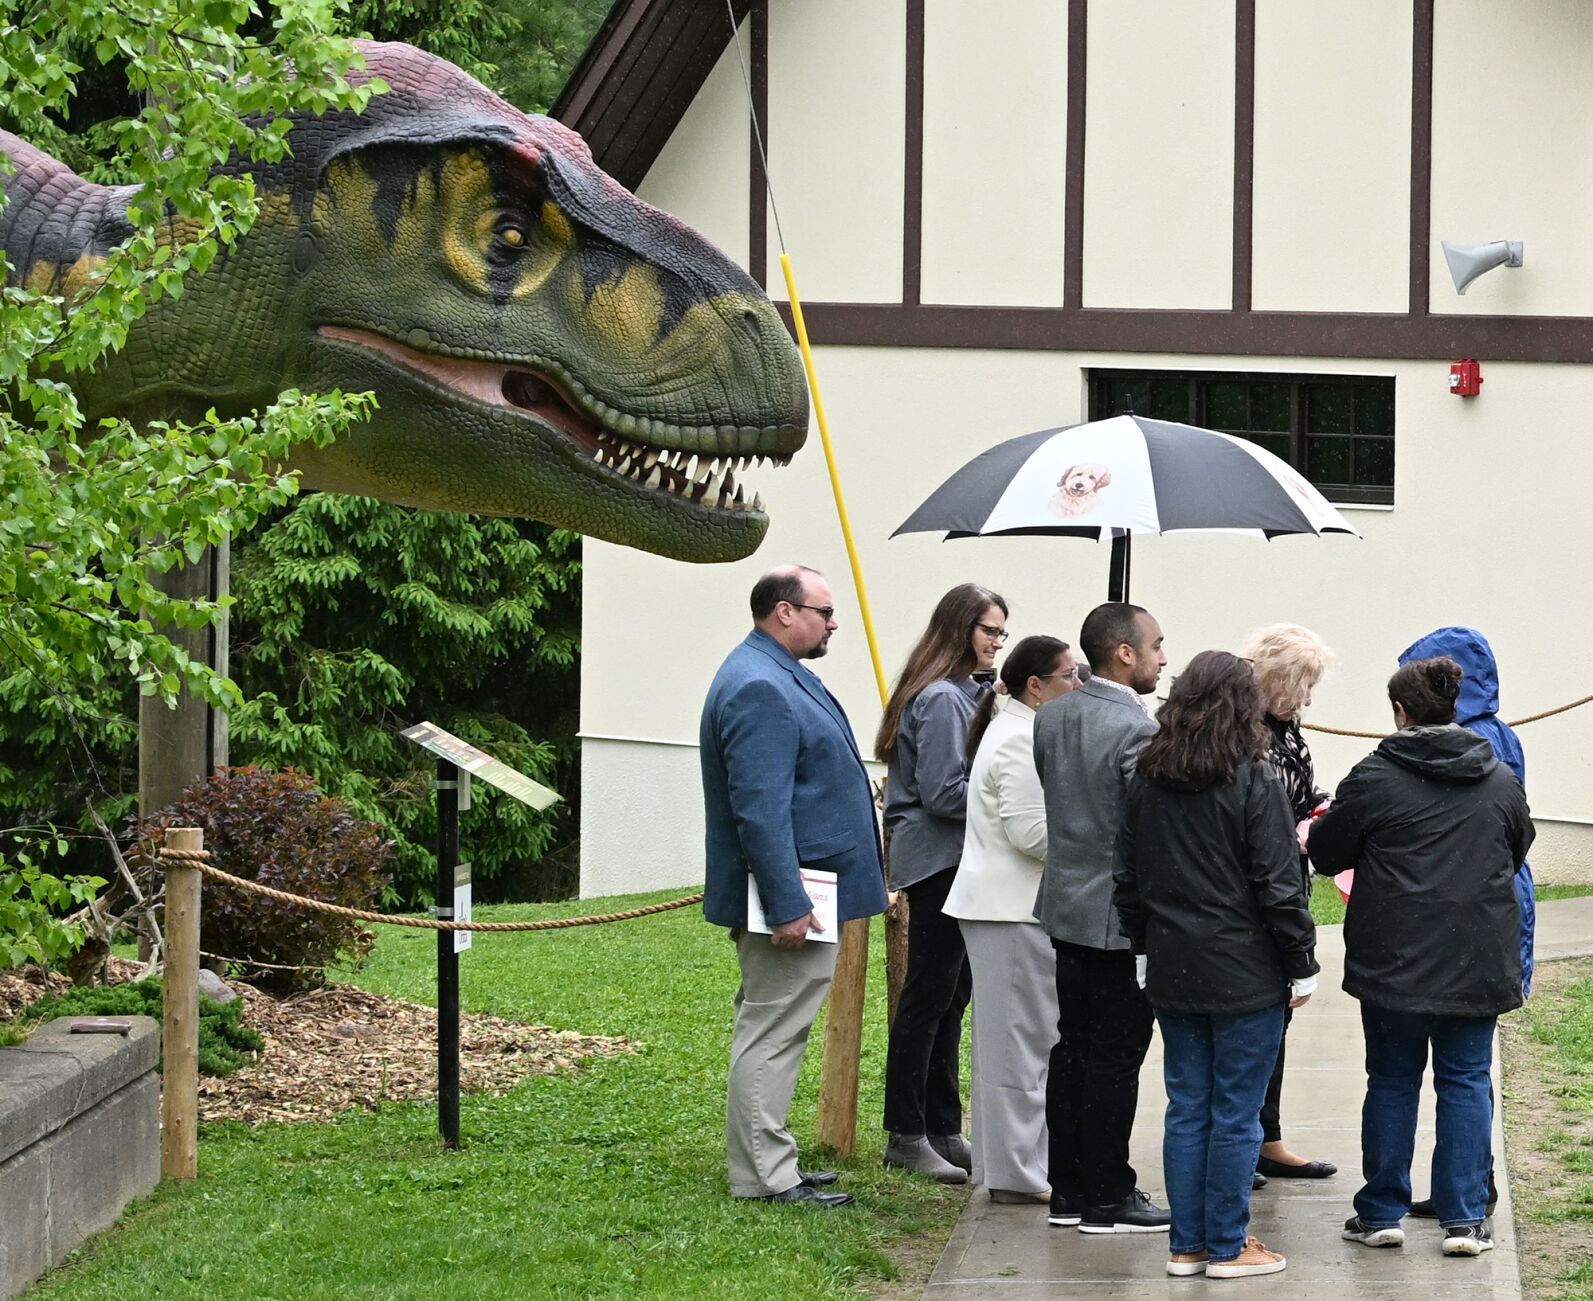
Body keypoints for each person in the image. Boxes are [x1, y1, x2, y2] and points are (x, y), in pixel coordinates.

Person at [1309, 656, 1534, 1258]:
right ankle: (1464, 1221)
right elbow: (1517, 850)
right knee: (1465, 1080)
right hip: (1477, 955)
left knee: (1391, 1079)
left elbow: (1327, 854)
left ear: (1400, 713)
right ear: (1454, 708)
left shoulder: (1373, 776)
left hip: (1394, 958)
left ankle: (1382, 1212)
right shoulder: (1499, 778)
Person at [1113, 651, 1320, 1279]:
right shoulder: (1253, 779)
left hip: (1173, 965)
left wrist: (1145, 948)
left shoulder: (1146, 776)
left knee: (1188, 1106)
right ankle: (1229, 1246)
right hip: (1246, 970)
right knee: (1235, 1111)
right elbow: (1279, 885)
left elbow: (1127, 877)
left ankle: (1188, 1246)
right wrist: (1301, 962)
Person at [700, 564, 888, 1206]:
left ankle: (773, 1158)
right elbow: (760, 808)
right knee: (772, 1029)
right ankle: (764, 1176)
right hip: (795, 899)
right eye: (824, 611)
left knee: (778, 1025)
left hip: (807, 892)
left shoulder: (777, 673)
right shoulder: (759, 685)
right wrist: (787, 905)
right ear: (785, 611)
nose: (834, 623)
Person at [1033, 601, 1170, 1233]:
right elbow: (1142, 827)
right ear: (1124, 653)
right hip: (1116, 915)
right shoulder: (1138, 730)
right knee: (1116, 1053)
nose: (1163, 659)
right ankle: (1109, 1194)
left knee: (1073, 1047)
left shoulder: (1052, 716)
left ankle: (1068, 1189)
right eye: (1156, 646)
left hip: (1064, 904)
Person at [1397, 627, 1532, 1221]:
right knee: (1467, 1070)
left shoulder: (1466, 742)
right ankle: (1462, 1190)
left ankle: (1470, 1190)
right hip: (1493, 914)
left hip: (1465, 917)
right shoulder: (1499, 735)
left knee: (1460, 1070)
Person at [877, 583, 1008, 1183]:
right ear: (959, 629)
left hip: (953, 861)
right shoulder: (941, 699)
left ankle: (942, 1129)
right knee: (927, 999)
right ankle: (906, 1134)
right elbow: (943, 794)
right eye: (989, 631)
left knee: (950, 999)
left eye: (1002, 633)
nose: (997, 643)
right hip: (938, 862)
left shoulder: (964, 695)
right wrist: (1008, 800)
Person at [944, 635, 1080, 1203]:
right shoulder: (1020, 739)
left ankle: (1014, 1168)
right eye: (1069, 676)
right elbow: (1032, 835)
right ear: (1036, 685)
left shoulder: (1021, 731)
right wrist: (1094, 840)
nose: (1077, 685)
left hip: (1012, 909)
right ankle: (1016, 1176)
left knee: (1022, 1043)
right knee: (1018, 1048)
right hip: (1009, 910)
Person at [1240, 624, 1339, 1182]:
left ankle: (1266, 1138)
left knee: (1274, 1026)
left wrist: (1325, 807)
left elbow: (1298, 798)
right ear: (1276, 680)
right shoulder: (1248, 735)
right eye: (1304, 685)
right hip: (1259, 900)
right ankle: (1245, 1141)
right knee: (1255, 1030)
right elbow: (1265, 820)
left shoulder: (1287, 730)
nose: (1308, 699)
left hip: (1286, 887)